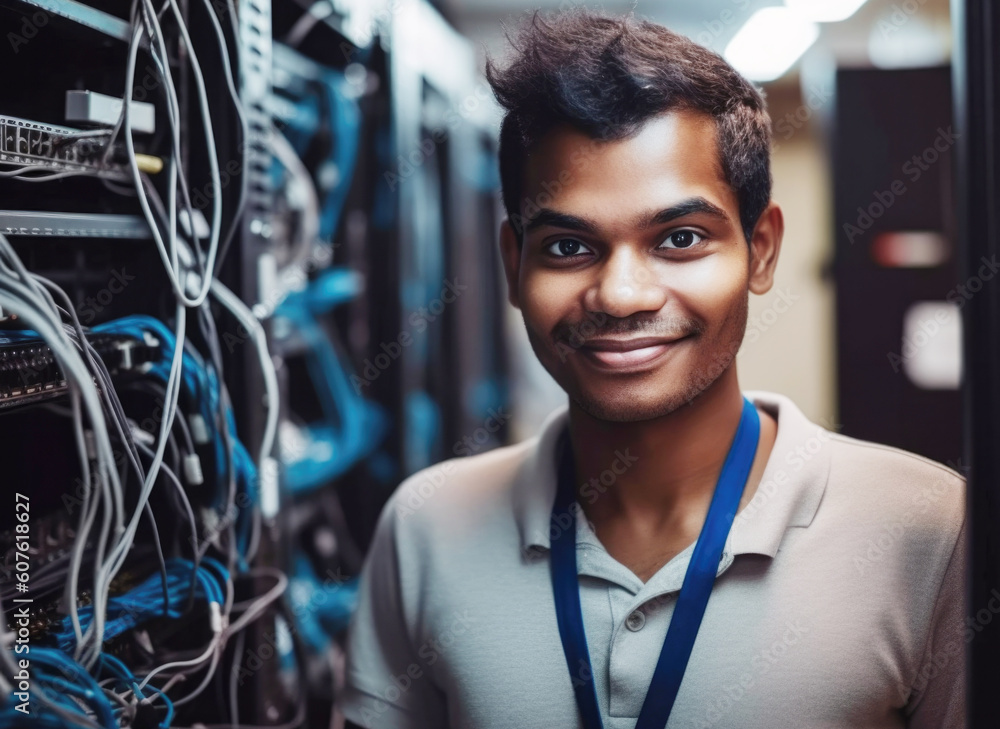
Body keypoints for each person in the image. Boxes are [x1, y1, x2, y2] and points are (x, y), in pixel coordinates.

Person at [341, 9, 966, 729]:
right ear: (513, 264)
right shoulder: (425, 527)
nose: (621, 295)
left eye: (679, 238)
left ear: (761, 250)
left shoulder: (928, 528)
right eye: (569, 248)